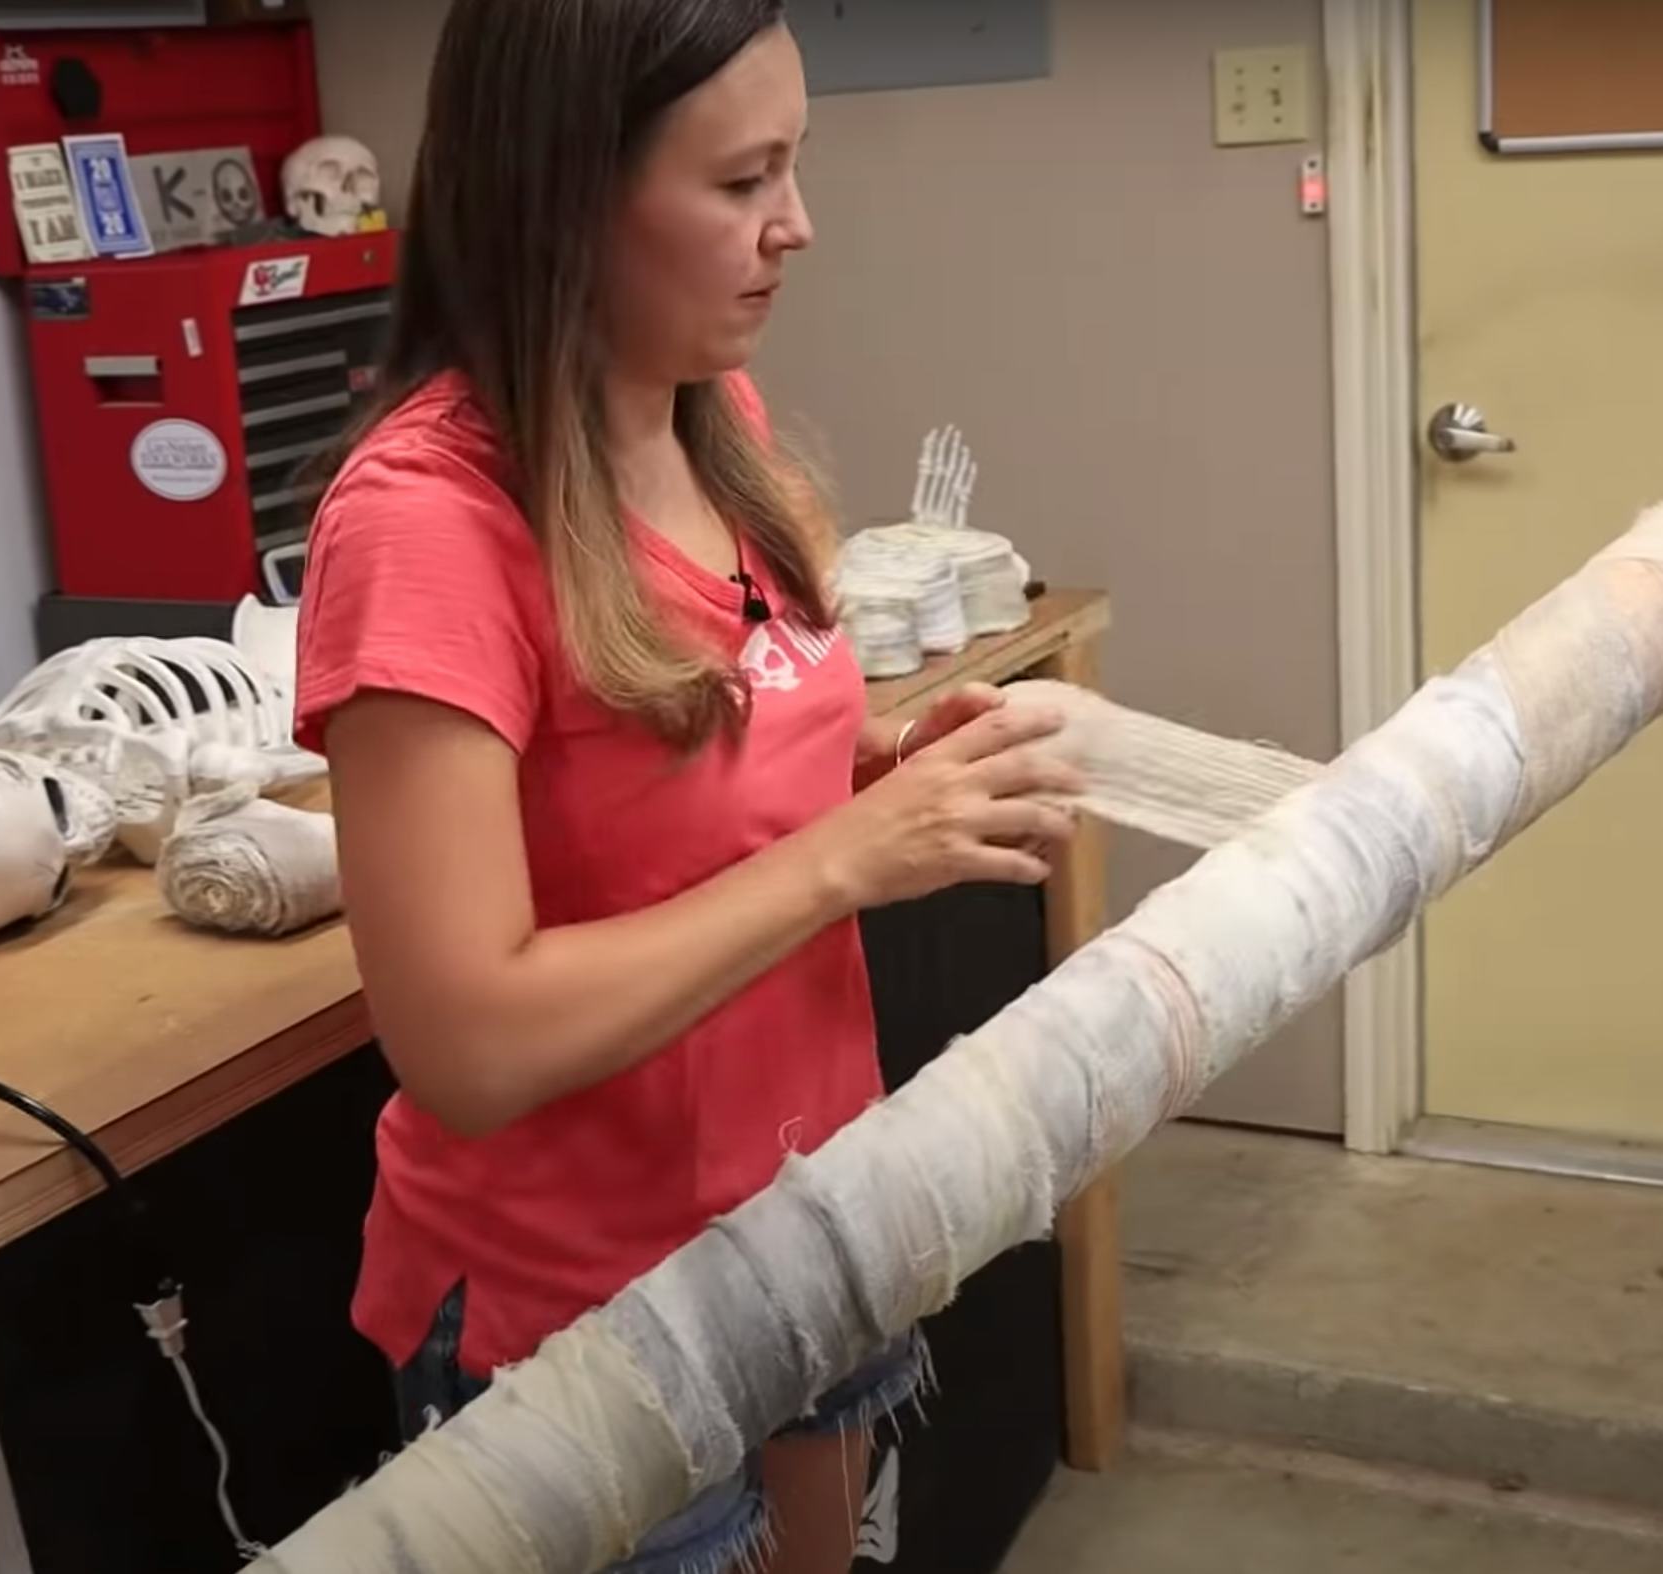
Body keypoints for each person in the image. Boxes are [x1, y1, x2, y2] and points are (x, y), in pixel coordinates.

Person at [290, 2, 1083, 1569]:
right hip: (584, 1318)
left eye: (794, 167)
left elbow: (691, 764)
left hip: (803, 1218)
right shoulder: (425, 528)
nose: (797, 226)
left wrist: (887, 767)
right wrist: (846, 857)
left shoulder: (713, 417)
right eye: (741, 183)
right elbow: (469, 1039)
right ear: (565, 191)